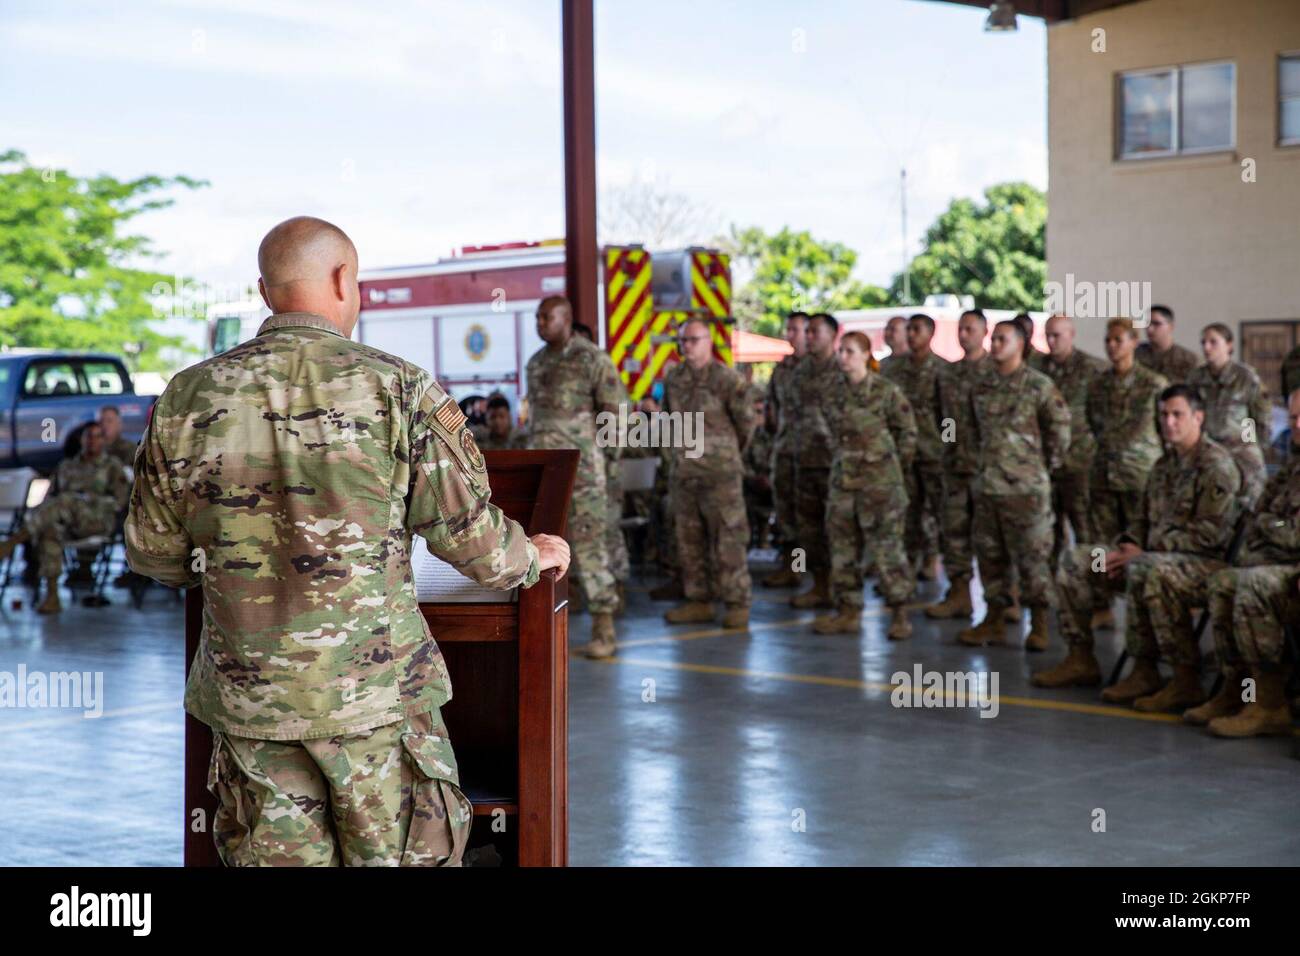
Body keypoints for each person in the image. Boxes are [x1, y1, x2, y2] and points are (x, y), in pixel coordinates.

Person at [125, 216, 569, 866]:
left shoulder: (187, 397)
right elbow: (475, 546)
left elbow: (153, 553)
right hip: (376, 708)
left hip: (254, 712)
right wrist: (535, 553)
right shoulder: (400, 389)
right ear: (342, 279)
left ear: (265, 288)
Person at [1034, 385, 1240, 696]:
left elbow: (1211, 536)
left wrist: (1144, 553)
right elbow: (1141, 521)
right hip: (1147, 556)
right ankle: (1080, 658)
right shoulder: (1162, 465)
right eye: (1164, 415)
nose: (1169, 422)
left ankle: (1173, 677)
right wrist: (1127, 546)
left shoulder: (1216, 467)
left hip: (1202, 565)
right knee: (1076, 560)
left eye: (1177, 415)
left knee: (1146, 569)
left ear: (1198, 417)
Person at [524, 295, 627, 658]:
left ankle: (604, 626)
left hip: (584, 473)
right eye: (537, 317)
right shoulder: (535, 364)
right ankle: (543, 627)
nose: (539, 323)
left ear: (566, 318)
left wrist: (606, 462)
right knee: (544, 547)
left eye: (546, 316)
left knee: (590, 546)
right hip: (545, 473)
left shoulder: (592, 359)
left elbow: (615, 415)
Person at [1193, 388, 1300, 736]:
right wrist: (1275, 526)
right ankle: (1238, 690)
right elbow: (1258, 516)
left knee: (1252, 583)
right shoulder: (1291, 468)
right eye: (1293, 417)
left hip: (1290, 569)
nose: (1296, 425)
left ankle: (1270, 704)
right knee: (1224, 582)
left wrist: (1273, 525)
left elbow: (1291, 534)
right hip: (1276, 562)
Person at [958, 321, 1070, 651]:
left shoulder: (1039, 385)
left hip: (1027, 491)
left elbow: (1060, 432)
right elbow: (967, 430)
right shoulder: (980, 386)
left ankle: (1038, 625)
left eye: (1002, 339)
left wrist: (1041, 469)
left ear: (1020, 344)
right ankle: (993, 620)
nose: (994, 344)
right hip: (988, 488)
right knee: (990, 558)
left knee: (1033, 560)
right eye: (993, 338)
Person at [814, 331, 917, 638]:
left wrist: (893, 468)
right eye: (840, 351)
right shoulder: (831, 392)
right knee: (842, 551)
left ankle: (899, 614)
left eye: (849, 351)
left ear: (865, 355)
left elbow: (907, 433)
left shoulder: (886, 391)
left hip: (880, 486)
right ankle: (848, 611)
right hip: (843, 484)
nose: (842, 357)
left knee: (888, 552)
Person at [661, 318, 756, 629]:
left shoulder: (727, 380)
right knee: (689, 541)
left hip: (720, 475)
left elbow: (746, 425)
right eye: (682, 341)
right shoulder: (674, 379)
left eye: (692, 340)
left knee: (729, 539)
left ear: (708, 341)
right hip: (685, 474)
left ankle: (736, 601)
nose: (686, 346)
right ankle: (699, 600)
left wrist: (723, 453)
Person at [1085, 317, 1168, 630]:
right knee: (1100, 545)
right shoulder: (1097, 384)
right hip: (1104, 475)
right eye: (1108, 340)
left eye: (1119, 340)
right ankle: (1100, 605)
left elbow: (1164, 432)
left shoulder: (1154, 384)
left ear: (1134, 342)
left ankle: (1142, 612)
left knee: (1138, 548)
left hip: (1140, 478)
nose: (1112, 346)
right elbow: (1094, 423)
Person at [0, 421, 129, 614]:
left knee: (66, 500)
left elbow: (120, 503)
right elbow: (49, 499)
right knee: (50, 530)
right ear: (82, 440)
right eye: (88, 436)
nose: (92, 441)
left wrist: (86, 500)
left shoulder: (112, 466)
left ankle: (11, 543)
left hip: (96, 521)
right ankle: (52, 595)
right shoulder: (67, 466)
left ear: (103, 441)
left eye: (97, 436)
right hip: (66, 522)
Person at [926, 309, 989, 621]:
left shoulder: (997, 371)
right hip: (954, 466)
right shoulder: (947, 373)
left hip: (989, 469)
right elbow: (943, 417)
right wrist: (950, 442)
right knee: (953, 533)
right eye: (961, 329)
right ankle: (960, 593)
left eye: (971, 329)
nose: (964, 335)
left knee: (994, 538)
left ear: (984, 332)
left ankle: (1008, 600)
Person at [1037, 314, 1107, 567]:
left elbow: (1103, 418)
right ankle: (1052, 592)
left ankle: (1096, 592)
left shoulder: (1093, 369)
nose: (1052, 341)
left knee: (1087, 531)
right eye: (1048, 335)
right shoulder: (1037, 368)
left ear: (1072, 335)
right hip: (1046, 463)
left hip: (1081, 463)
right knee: (1047, 533)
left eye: (1058, 335)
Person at [787, 313, 844, 609]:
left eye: (815, 332)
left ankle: (844, 591)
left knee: (838, 530)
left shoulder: (844, 369)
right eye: (806, 332)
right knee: (808, 530)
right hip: (805, 459)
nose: (808, 337)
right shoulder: (799, 372)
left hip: (835, 463)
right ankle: (817, 584)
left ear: (833, 335)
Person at [892, 313, 950, 584]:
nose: (911, 334)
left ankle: (933, 557)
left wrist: (948, 445)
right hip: (903, 453)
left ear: (930, 333)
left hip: (933, 451)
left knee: (937, 509)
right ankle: (907, 565)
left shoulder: (943, 370)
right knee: (906, 510)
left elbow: (950, 415)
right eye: (909, 330)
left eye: (917, 329)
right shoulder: (893, 369)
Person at [1187, 323, 1270, 508]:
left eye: (1213, 342)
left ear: (1229, 345)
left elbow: (1259, 417)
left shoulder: (1246, 377)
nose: (1207, 348)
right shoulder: (1195, 378)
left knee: (1248, 506)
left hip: (1240, 451)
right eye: (1203, 343)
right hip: (1208, 452)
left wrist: (1249, 445)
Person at [762, 311, 808, 586]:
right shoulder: (782, 369)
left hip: (818, 456)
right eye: (787, 329)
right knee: (787, 516)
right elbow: (770, 410)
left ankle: (823, 574)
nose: (788, 335)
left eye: (795, 330)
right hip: (785, 450)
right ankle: (794, 568)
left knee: (812, 518)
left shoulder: (829, 367)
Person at [742, 388, 775, 548]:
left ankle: (797, 564)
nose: (759, 416)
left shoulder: (781, 435)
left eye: (762, 411)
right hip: (752, 486)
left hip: (777, 486)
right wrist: (753, 478)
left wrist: (773, 480)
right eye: (755, 411)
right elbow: (741, 462)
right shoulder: (746, 437)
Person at [1136, 304, 1199, 384]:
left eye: (1156, 324)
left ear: (1171, 327)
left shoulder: (1188, 360)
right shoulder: (1134, 354)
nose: (1150, 329)